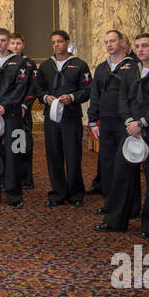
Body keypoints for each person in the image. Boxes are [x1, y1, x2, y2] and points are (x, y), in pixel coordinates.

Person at [97, 33, 149, 236]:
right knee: (121, 175)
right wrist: (128, 121)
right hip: (130, 130)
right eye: (138, 46)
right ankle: (115, 220)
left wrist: (142, 123)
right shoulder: (132, 71)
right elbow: (123, 98)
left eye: (145, 46)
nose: (141, 50)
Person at [0, 28, 33, 209]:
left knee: (13, 154)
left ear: (9, 42)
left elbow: (21, 88)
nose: (0, 43)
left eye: (3, 40)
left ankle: (14, 195)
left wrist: (4, 106)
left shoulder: (19, 63)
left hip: (13, 116)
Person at [36, 30, 91, 207]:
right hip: (51, 118)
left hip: (71, 116)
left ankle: (75, 193)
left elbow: (87, 90)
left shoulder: (79, 65)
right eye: (53, 42)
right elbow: (38, 90)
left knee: (73, 154)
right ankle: (57, 192)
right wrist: (46, 98)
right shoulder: (45, 66)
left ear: (67, 42)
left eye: (60, 41)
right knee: (54, 155)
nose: (57, 45)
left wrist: (73, 97)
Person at [86, 31, 137, 212]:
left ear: (122, 43)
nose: (109, 45)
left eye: (113, 41)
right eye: (106, 42)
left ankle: (130, 207)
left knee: (126, 164)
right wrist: (92, 121)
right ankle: (110, 204)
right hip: (105, 122)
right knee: (107, 164)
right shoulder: (101, 68)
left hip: (125, 123)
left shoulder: (133, 66)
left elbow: (136, 96)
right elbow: (95, 95)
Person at [9, 33, 36, 190]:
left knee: (22, 145)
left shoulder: (29, 64)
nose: (15, 46)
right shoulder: (4, 62)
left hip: (22, 112)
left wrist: (24, 106)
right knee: (6, 145)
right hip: (7, 110)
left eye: (18, 43)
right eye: (12, 43)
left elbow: (32, 87)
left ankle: (25, 179)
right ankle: (6, 177)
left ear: (23, 45)